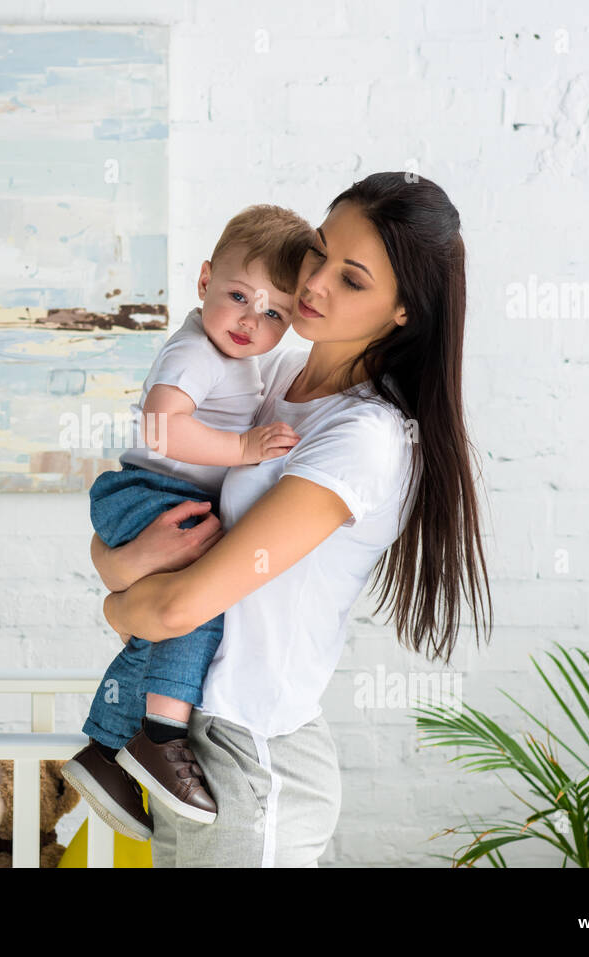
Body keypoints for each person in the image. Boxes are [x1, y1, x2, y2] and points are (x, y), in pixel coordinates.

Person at [94, 172, 494, 866]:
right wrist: (122, 574)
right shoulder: (270, 378)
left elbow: (182, 602)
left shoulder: (363, 436)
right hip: (183, 734)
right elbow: (141, 540)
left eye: (354, 279)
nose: (315, 283)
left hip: (248, 756)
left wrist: (118, 605)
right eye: (319, 251)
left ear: (404, 311)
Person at [62, 205, 315, 840]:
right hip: (150, 491)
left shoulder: (243, 361)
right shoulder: (194, 353)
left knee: (161, 628)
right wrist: (246, 450)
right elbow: (160, 425)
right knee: (200, 606)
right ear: (203, 281)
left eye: (274, 313)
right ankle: (161, 735)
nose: (250, 321)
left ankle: (107, 748)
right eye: (238, 296)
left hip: (159, 497)